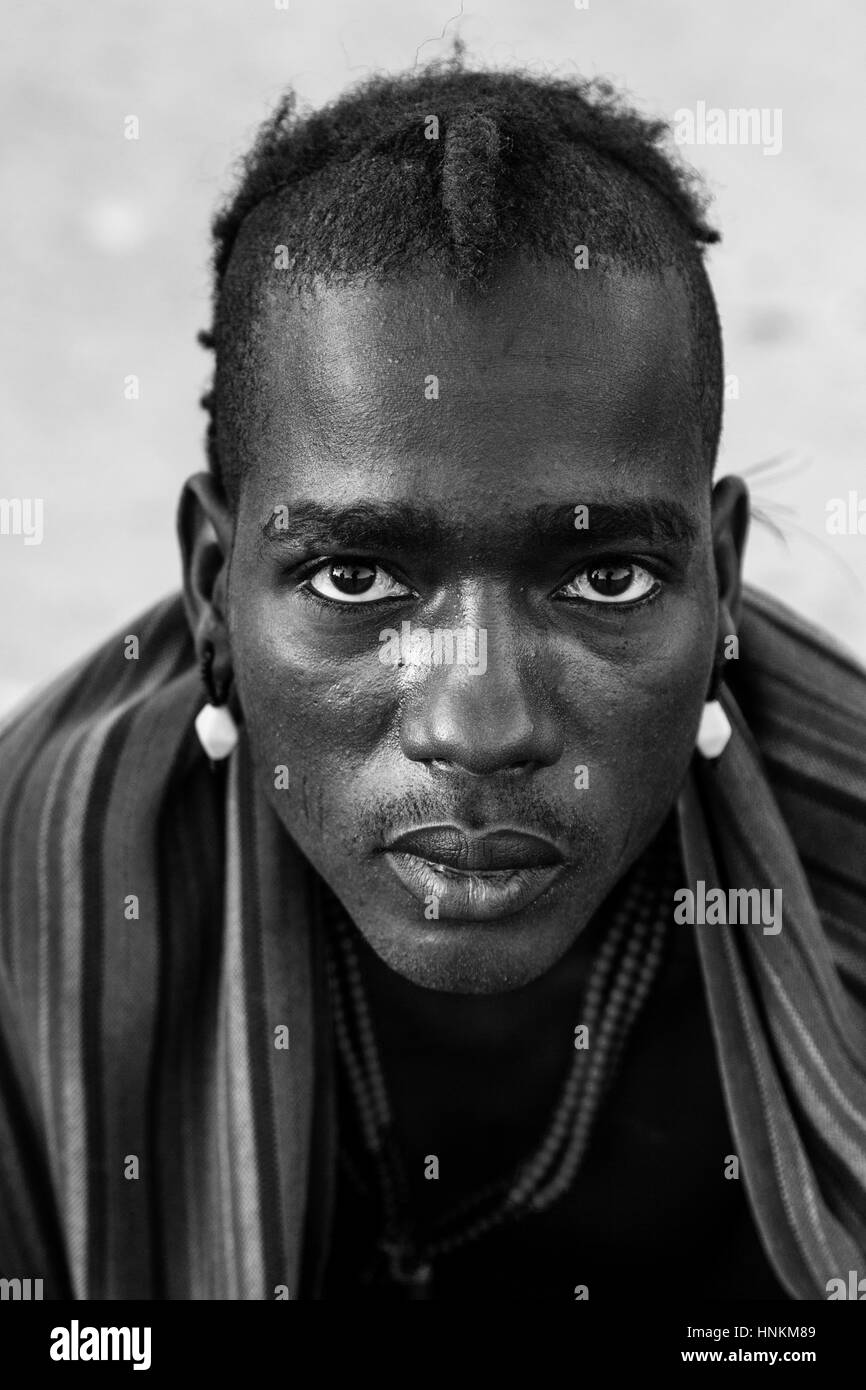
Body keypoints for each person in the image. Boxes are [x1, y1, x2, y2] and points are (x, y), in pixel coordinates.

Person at [1, 58, 864, 1302]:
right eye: (357, 578)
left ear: (718, 582)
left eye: (605, 579)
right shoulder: (35, 914)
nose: (480, 723)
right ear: (211, 585)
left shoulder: (843, 881)